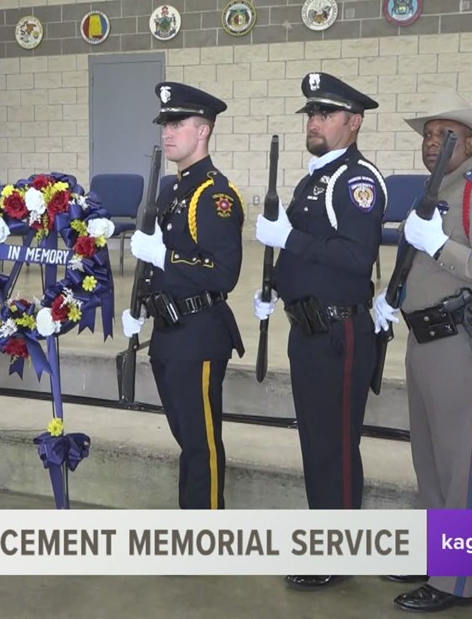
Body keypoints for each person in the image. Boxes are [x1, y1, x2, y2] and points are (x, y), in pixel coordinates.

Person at [371, 94, 472, 611]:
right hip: (425, 340)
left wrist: (444, 247)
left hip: (466, 344)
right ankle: (436, 554)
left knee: (461, 465)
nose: (434, 143)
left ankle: (457, 582)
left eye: (447, 136)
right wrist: (392, 297)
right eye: (429, 136)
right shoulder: (433, 189)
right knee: (431, 461)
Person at [252, 73, 385, 591]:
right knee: (316, 442)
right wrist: (275, 287)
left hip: (339, 331)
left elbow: (357, 259)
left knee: (335, 444)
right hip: (306, 329)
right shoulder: (314, 179)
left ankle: (338, 549)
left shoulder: (358, 180)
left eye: (326, 114)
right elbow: (301, 252)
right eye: (311, 114)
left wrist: (290, 239)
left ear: (353, 123)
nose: (315, 122)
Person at [122, 82, 244, 510]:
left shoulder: (215, 195)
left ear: (204, 130)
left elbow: (224, 273)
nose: (168, 132)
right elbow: (155, 265)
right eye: (165, 124)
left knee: (201, 443)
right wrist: (139, 305)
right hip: (169, 329)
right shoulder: (172, 190)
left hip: (199, 332)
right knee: (186, 437)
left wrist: (164, 256)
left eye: (178, 123)